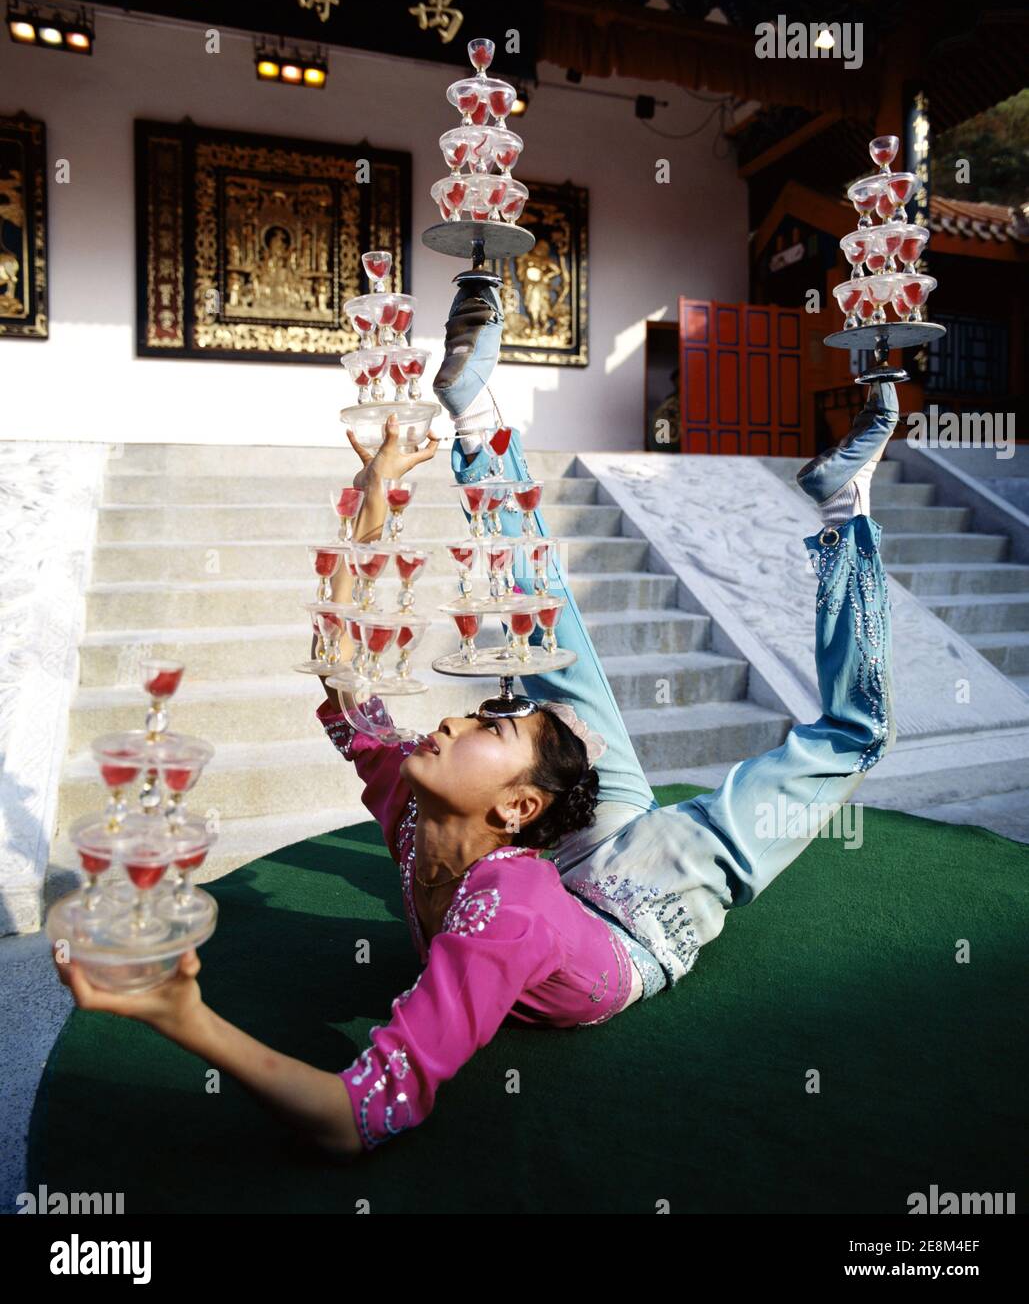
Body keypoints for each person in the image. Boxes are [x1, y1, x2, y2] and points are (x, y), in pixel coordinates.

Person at [53, 277, 897, 1161]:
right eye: (476, 724)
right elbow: (342, 675)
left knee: (845, 736)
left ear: (519, 805)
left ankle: (843, 509)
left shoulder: (492, 890)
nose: (449, 722)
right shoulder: (420, 808)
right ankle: (478, 422)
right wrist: (373, 491)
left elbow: (355, 1116)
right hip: (595, 872)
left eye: (483, 729)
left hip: (634, 904)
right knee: (546, 633)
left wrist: (183, 1016)